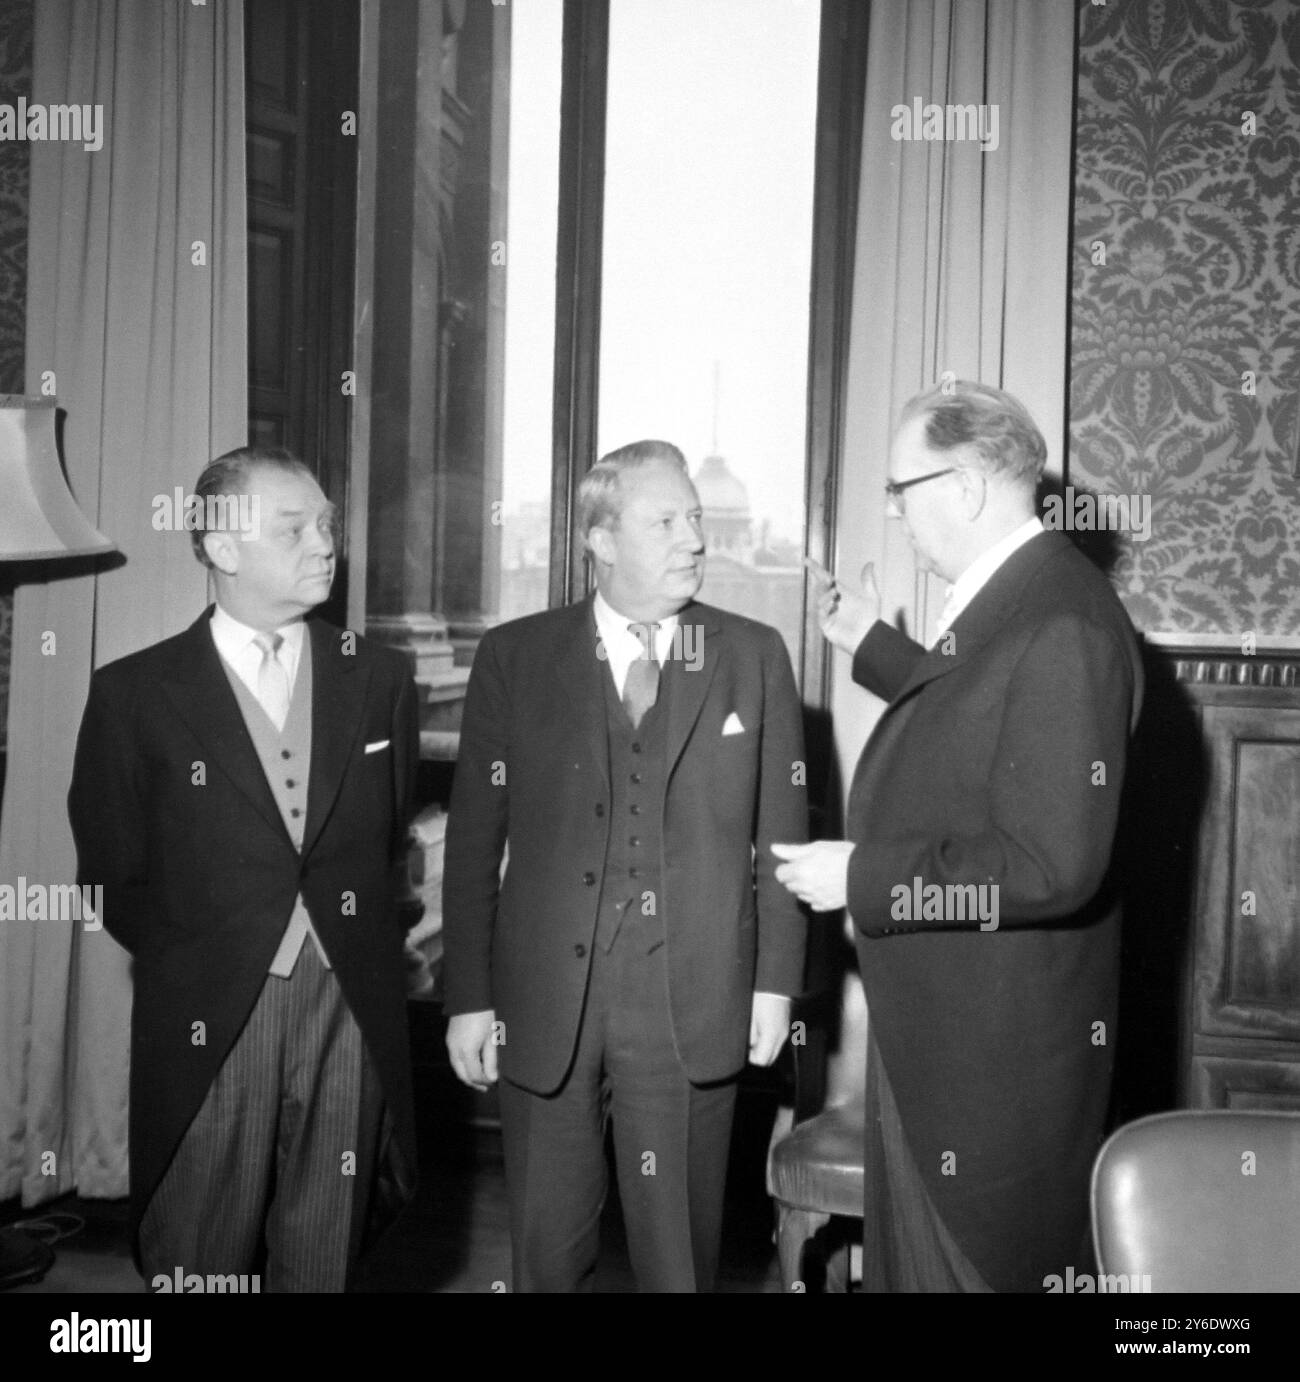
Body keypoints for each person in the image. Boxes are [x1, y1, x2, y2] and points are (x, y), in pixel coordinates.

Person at [774, 381, 1143, 1292]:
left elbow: (1049, 866)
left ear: (968, 488)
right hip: (946, 1045)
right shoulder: (1024, 594)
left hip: (986, 1074)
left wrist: (862, 878)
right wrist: (871, 645)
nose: (894, 513)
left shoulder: (1060, 619)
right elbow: (985, 727)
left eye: (901, 490)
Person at [442, 439, 807, 1292]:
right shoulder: (515, 656)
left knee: (679, 1259)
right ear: (600, 540)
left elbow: (782, 838)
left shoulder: (753, 655)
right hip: (541, 1001)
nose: (694, 539)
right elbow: (471, 844)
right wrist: (469, 998)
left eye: (697, 519)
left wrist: (775, 985)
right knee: (545, 1256)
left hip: (694, 999)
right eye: (667, 521)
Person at [68, 447, 420, 1291]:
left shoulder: (378, 679)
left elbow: (387, 837)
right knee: (201, 1250)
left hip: (348, 1006)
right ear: (222, 548)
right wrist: (210, 957)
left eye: (327, 525)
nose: (324, 543)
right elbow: (113, 872)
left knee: (326, 1248)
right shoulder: (134, 694)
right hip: (211, 1012)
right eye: (295, 527)